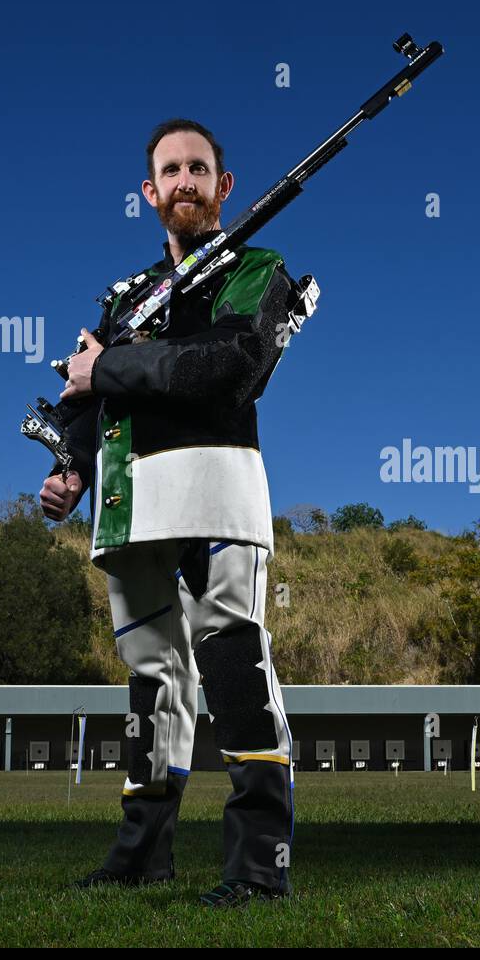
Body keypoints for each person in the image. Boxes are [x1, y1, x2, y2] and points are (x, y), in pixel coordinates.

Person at [39, 117, 301, 908]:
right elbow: (89, 405)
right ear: (149, 194)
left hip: (217, 486)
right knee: (153, 682)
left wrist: (104, 366)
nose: (184, 182)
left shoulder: (258, 269)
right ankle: (141, 854)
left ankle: (259, 867)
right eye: (169, 171)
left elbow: (229, 367)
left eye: (199, 169)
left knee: (233, 663)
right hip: (130, 504)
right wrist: (72, 469)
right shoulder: (124, 298)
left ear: (224, 187)